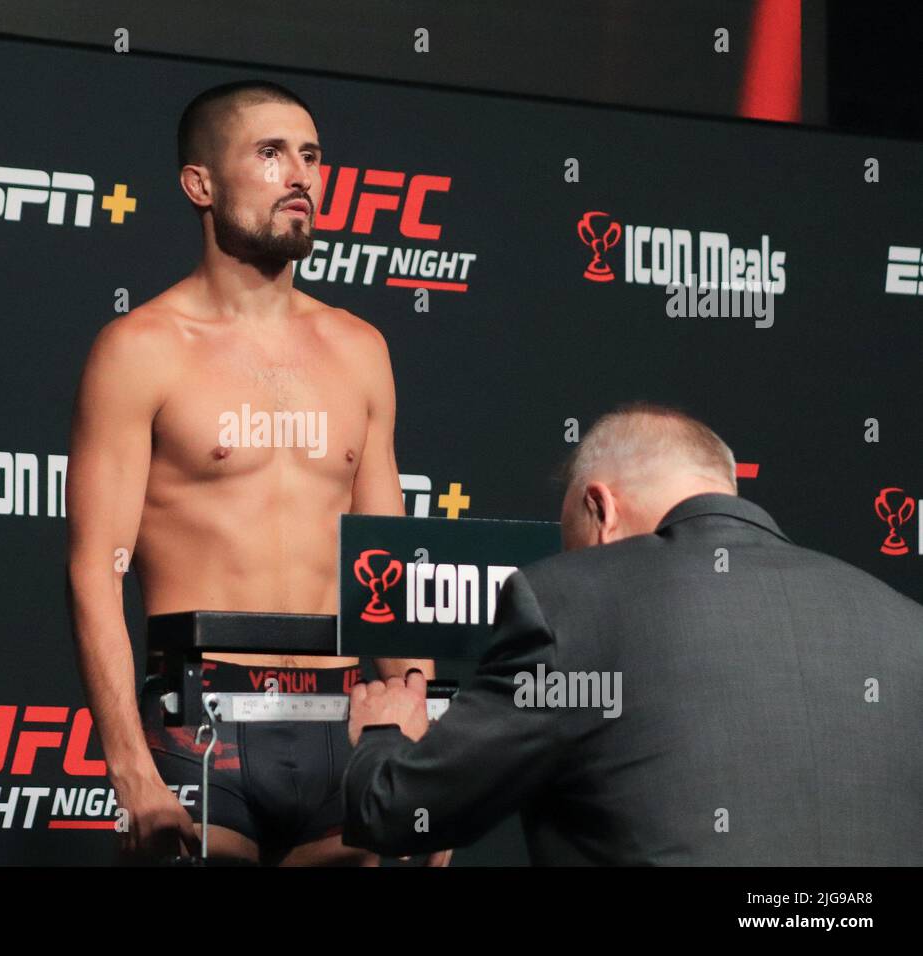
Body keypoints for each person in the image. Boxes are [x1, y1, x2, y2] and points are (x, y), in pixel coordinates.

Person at [66, 79, 439, 866]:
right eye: (270, 154)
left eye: (310, 155)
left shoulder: (361, 348)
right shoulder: (142, 348)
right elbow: (97, 570)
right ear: (200, 183)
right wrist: (128, 766)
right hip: (201, 723)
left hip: (345, 720)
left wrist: (417, 729)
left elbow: (387, 565)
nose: (299, 174)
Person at [343, 402, 923, 864]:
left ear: (601, 508)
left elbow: (398, 809)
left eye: (574, 540)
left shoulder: (573, 601)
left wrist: (385, 734)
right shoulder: (903, 623)